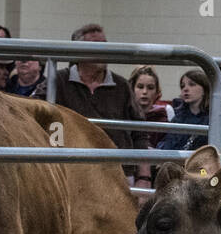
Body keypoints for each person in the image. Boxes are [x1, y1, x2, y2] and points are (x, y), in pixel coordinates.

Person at [53, 24, 145, 157]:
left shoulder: (121, 85)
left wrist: (144, 176)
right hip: (72, 164)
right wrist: (54, 154)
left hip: (117, 165)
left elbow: (140, 131)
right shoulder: (58, 81)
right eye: (96, 45)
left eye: (105, 44)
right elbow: (38, 114)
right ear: (79, 51)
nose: (104, 50)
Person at [156, 70, 211, 152]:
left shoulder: (213, 118)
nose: (185, 89)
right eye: (182, 86)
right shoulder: (178, 118)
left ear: (204, 89)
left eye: (192, 84)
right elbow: (168, 144)